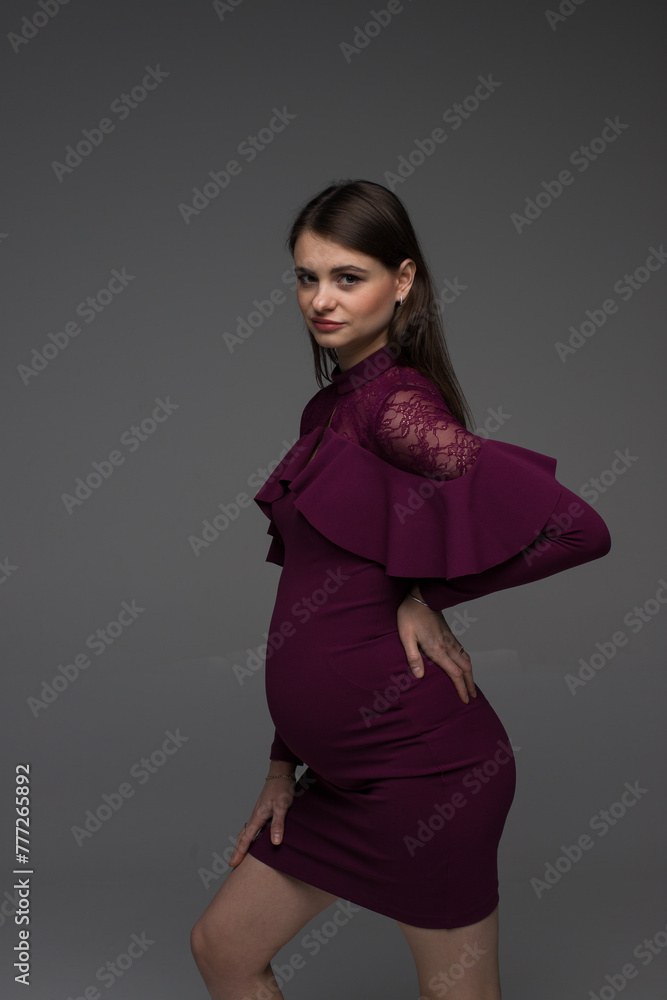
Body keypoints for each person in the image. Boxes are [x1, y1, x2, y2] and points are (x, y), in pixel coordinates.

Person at [190, 180, 612, 999]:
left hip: (428, 773)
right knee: (221, 950)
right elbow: (316, 597)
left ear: (403, 280)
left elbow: (581, 530)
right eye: (306, 278)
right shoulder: (330, 410)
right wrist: (283, 764)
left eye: (347, 277)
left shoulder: (395, 409)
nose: (320, 298)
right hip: (340, 777)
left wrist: (427, 598)